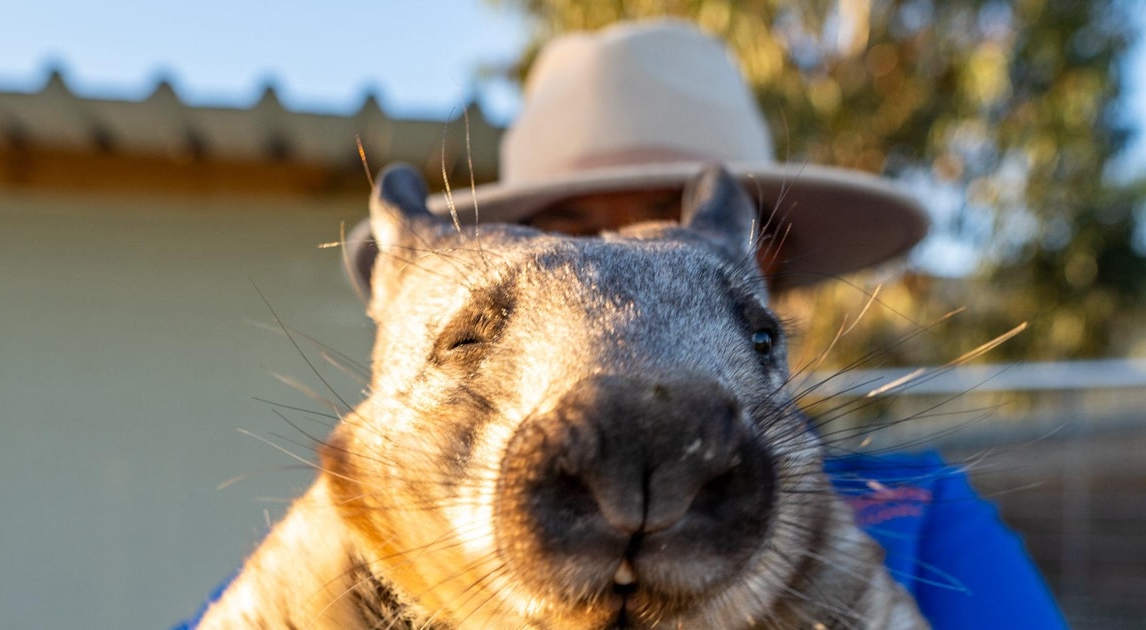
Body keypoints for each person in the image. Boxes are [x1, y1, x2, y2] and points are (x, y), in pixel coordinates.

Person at [181, 18, 1065, 629]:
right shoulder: (381, 508)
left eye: (677, 230)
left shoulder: (916, 507)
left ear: (768, 261)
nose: (630, 281)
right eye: (569, 235)